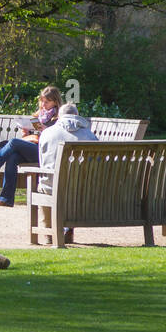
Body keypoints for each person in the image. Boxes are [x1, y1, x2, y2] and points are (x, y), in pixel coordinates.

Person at [0, 85, 63, 206]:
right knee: (12, 156)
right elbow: (31, 138)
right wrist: (26, 133)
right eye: (43, 101)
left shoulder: (58, 118)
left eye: (47, 102)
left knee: (13, 142)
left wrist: (45, 130)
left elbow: (55, 139)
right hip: (33, 149)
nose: (44, 105)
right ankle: (6, 199)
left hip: (45, 152)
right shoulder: (38, 116)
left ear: (55, 102)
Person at [38, 102, 99, 244]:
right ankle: (68, 230)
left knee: (43, 186)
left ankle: (49, 232)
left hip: (52, 188)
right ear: (77, 116)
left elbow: (42, 162)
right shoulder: (90, 135)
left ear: (59, 116)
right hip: (83, 189)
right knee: (75, 184)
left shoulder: (47, 133)